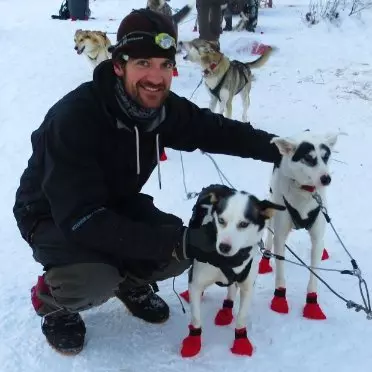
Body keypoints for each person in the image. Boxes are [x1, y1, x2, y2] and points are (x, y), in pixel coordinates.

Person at [13, 8, 281, 355]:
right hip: (55, 215)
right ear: (118, 65)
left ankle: (131, 283)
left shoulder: (160, 108)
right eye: (143, 63)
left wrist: (279, 149)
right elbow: (82, 219)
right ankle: (53, 301)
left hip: (113, 203)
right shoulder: (75, 119)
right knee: (100, 276)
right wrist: (178, 241)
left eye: (164, 65)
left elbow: (217, 130)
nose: (156, 77)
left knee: (177, 252)